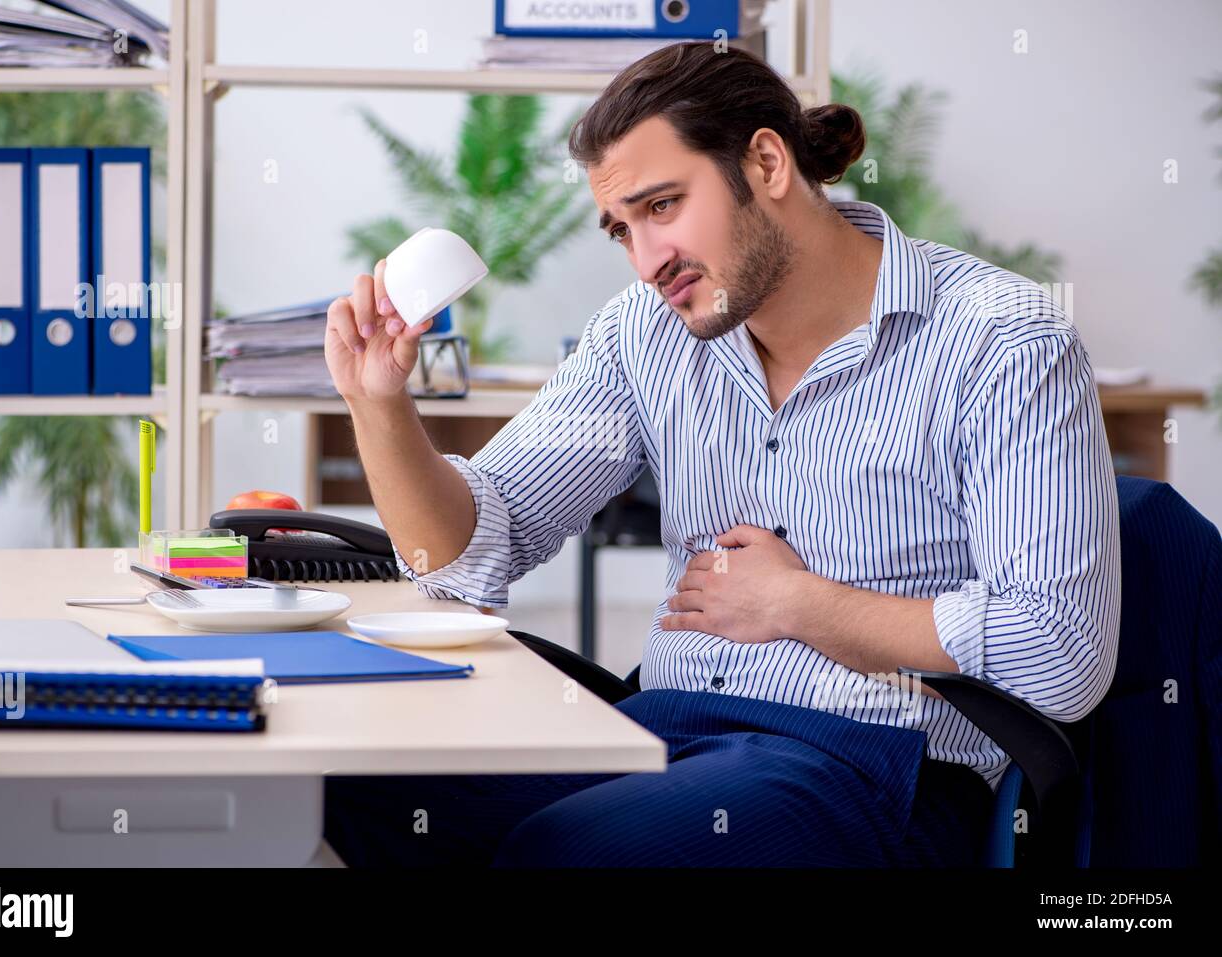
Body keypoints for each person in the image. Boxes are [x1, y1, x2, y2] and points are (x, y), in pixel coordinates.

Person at [320, 41, 1120, 867]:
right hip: (666, 731)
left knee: (576, 849)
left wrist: (797, 603)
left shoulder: (1004, 342)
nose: (646, 259)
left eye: (662, 206)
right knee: (344, 774)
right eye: (622, 229)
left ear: (767, 162)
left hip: (877, 767)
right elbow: (476, 550)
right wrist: (378, 404)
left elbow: (1059, 650)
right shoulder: (645, 331)